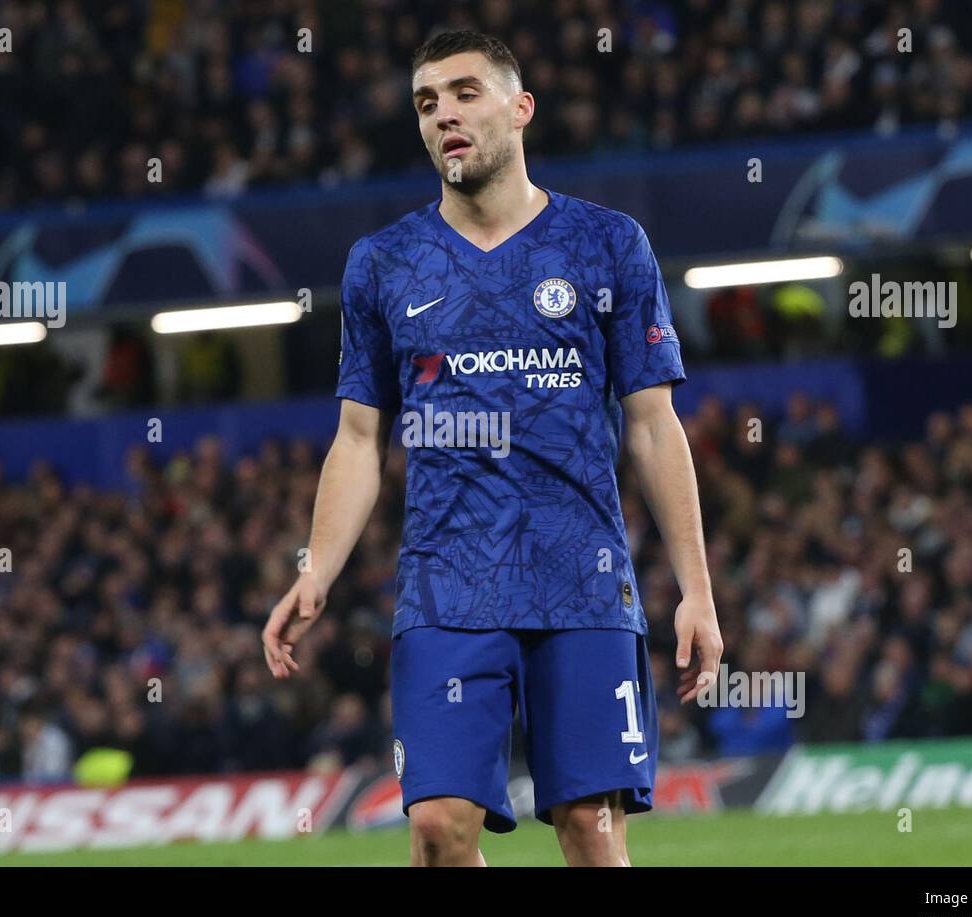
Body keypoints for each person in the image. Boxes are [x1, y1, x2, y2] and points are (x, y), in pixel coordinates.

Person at [262, 31, 723, 867]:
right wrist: (316, 569)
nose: (444, 115)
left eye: (465, 92)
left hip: (582, 581)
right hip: (448, 586)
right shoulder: (383, 264)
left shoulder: (608, 245)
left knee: (591, 828)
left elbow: (654, 426)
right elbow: (360, 439)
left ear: (521, 109)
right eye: (426, 102)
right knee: (438, 829)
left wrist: (696, 590)